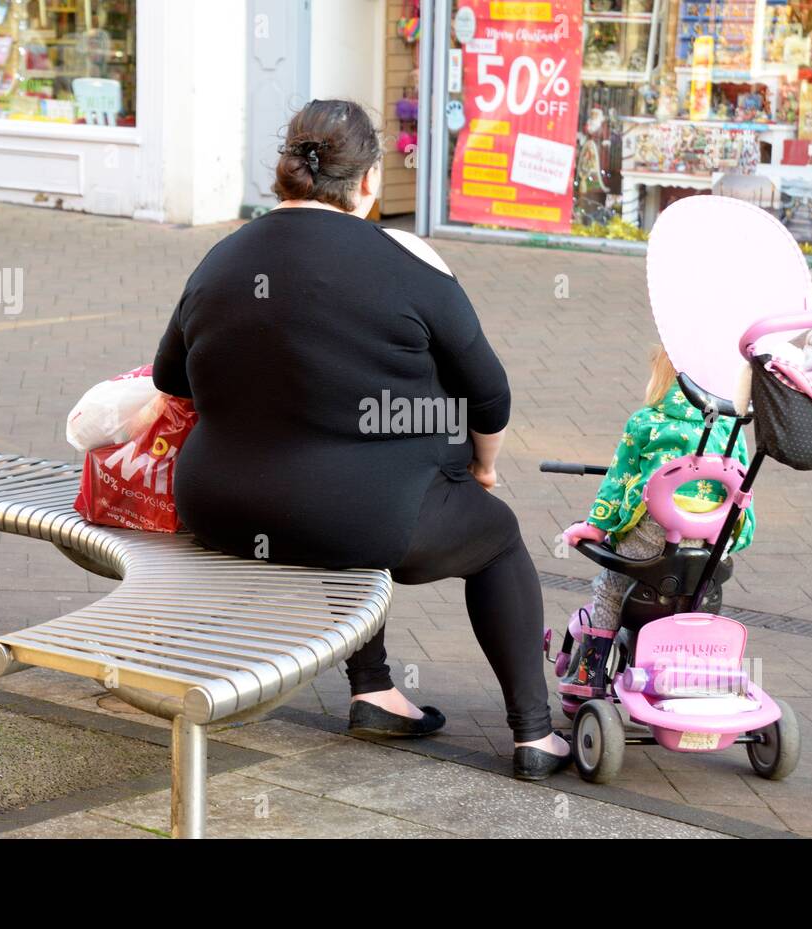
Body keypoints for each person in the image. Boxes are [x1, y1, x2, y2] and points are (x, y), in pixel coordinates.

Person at [150, 99, 571, 780]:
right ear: (369, 180)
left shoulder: (221, 257)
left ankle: (374, 687)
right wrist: (483, 468)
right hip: (357, 515)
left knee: (339, 485)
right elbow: (488, 392)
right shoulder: (408, 260)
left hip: (218, 508)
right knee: (495, 538)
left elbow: (172, 377)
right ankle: (534, 734)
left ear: (286, 172)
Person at [560, 345, 755, 696]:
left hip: (655, 539)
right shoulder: (731, 426)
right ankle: (683, 665)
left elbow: (617, 484)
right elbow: (741, 481)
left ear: (663, 376)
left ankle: (588, 679)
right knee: (692, 592)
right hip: (712, 543)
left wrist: (595, 526)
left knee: (609, 590)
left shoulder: (644, 422)